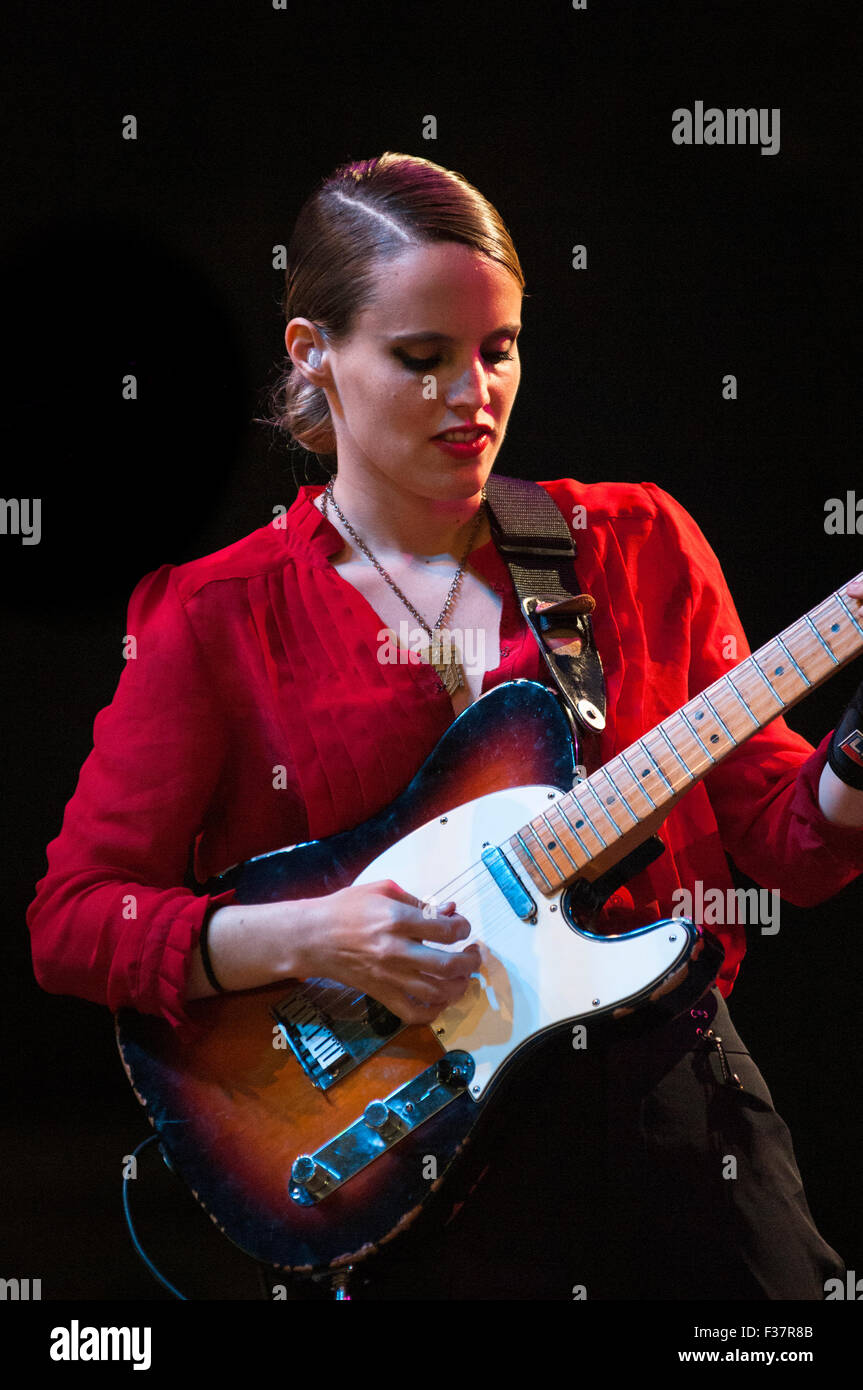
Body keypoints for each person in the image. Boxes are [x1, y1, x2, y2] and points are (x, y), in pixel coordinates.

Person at [27, 152, 863, 1301]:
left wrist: (854, 761)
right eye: (420, 359)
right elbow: (74, 919)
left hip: (674, 1112)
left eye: (498, 349)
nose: (471, 395)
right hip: (407, 1144)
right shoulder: (213, 616)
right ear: (311, 354)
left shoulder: (634, 541)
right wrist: (311, 937)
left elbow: (778, 837)